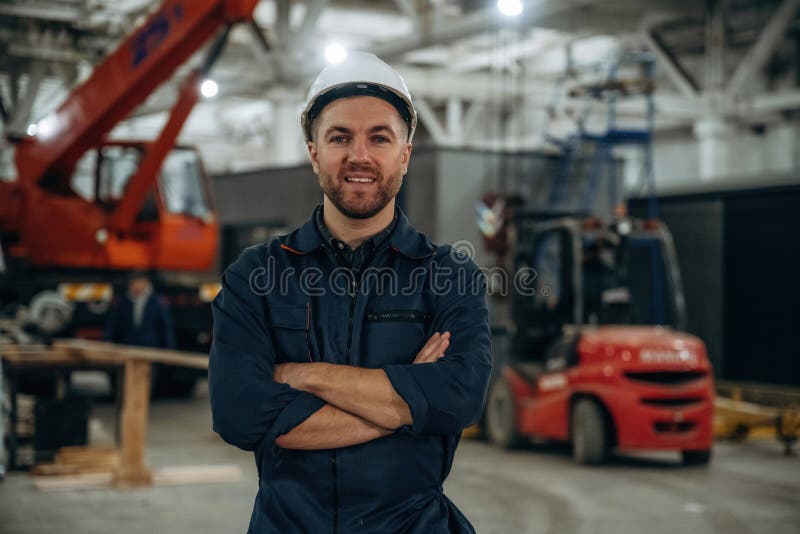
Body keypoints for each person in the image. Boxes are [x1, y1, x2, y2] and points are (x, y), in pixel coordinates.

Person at [209, 52, 491, 533]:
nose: (359, 155)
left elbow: (457, 399)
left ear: (404, 153)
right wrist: (405, 403)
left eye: (379, 138)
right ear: (314, 151)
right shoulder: (255, 275)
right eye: (339, 137)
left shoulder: (450, 275)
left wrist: (305, 375)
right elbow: (240, 414)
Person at [104, 272, 176, 350]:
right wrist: (108, 341)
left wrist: (169, 348)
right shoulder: (123, 303)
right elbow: (113, 325)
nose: (137, 286)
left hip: (151, 349)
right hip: (128, 348)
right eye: (134, 283)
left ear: (146, 283)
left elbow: (165, 328)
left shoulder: (157, 302)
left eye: (139, 282)